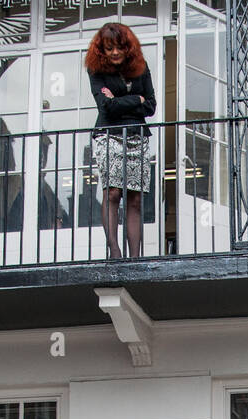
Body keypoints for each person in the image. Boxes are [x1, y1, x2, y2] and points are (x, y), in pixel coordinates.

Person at [85, 21, 155, 259]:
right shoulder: (96, 71)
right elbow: (106, 107)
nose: (114, 52)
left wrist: (122, 101)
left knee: (134, 198)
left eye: (119, 47)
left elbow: (152, 106)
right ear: (102, 50)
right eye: (109, 48)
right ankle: (114, 251)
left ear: (128, 47)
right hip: (108, 134)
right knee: (113, 192)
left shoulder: (141, 68)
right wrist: (137, 99)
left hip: (137, 136)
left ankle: (134, 257)